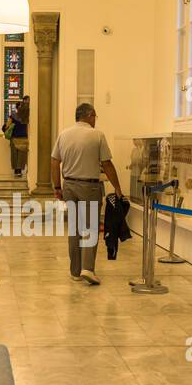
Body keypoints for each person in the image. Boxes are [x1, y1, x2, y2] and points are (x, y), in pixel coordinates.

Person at [51, 103, 124, 285]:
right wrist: (117, 187)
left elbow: (54, 161)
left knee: (75, 229)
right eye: (95, 117)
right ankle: (88, 269)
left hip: (69, 185)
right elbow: (107, 164)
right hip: (89, 187)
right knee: (90, 228)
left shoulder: (64, 134)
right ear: (90, 115)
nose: (95, 121)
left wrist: (57, 187)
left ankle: (75, 271)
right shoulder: (97, 135)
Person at [5, 95, 30, 177]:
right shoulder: (26, 116)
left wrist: (6, 128)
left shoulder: (13, 116)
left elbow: (7, 126)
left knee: (14, 155)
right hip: (23, 137)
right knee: (22, 155)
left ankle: (16, 171)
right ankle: (20, 171)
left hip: (15, 138)